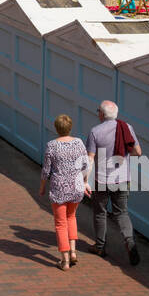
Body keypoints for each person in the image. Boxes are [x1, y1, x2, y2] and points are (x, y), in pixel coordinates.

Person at [84, 100, 142, 265]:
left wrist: (85, 181)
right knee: (121, 213)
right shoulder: (127, 128)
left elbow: (90, 159)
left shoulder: (95, 131)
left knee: (100, 212)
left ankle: (100, 246)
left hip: (101, 179)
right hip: (122, 179)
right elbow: (138, 152)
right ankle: (129, 241)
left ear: (101, 114)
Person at [39, 113, 90, 270]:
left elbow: (46, 170)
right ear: (70, 127)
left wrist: (42, 187)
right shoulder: (79, 143)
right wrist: (85, 181)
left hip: (59, 189)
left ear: (56, 128)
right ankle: (73, 251)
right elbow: (85, 165)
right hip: (76, 188)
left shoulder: (52, 146)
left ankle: (65, 260)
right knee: (71, 217)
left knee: (60, 223)